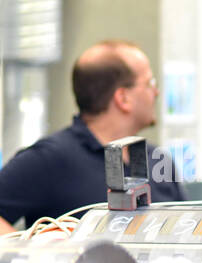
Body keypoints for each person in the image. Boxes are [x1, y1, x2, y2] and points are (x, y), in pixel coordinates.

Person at [0, 40, 186, 233]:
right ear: (123, 98)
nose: (155, 93)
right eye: (149, 83)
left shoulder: (157, 159)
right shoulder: (50, 158)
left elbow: (185, 228)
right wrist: (42, 254)